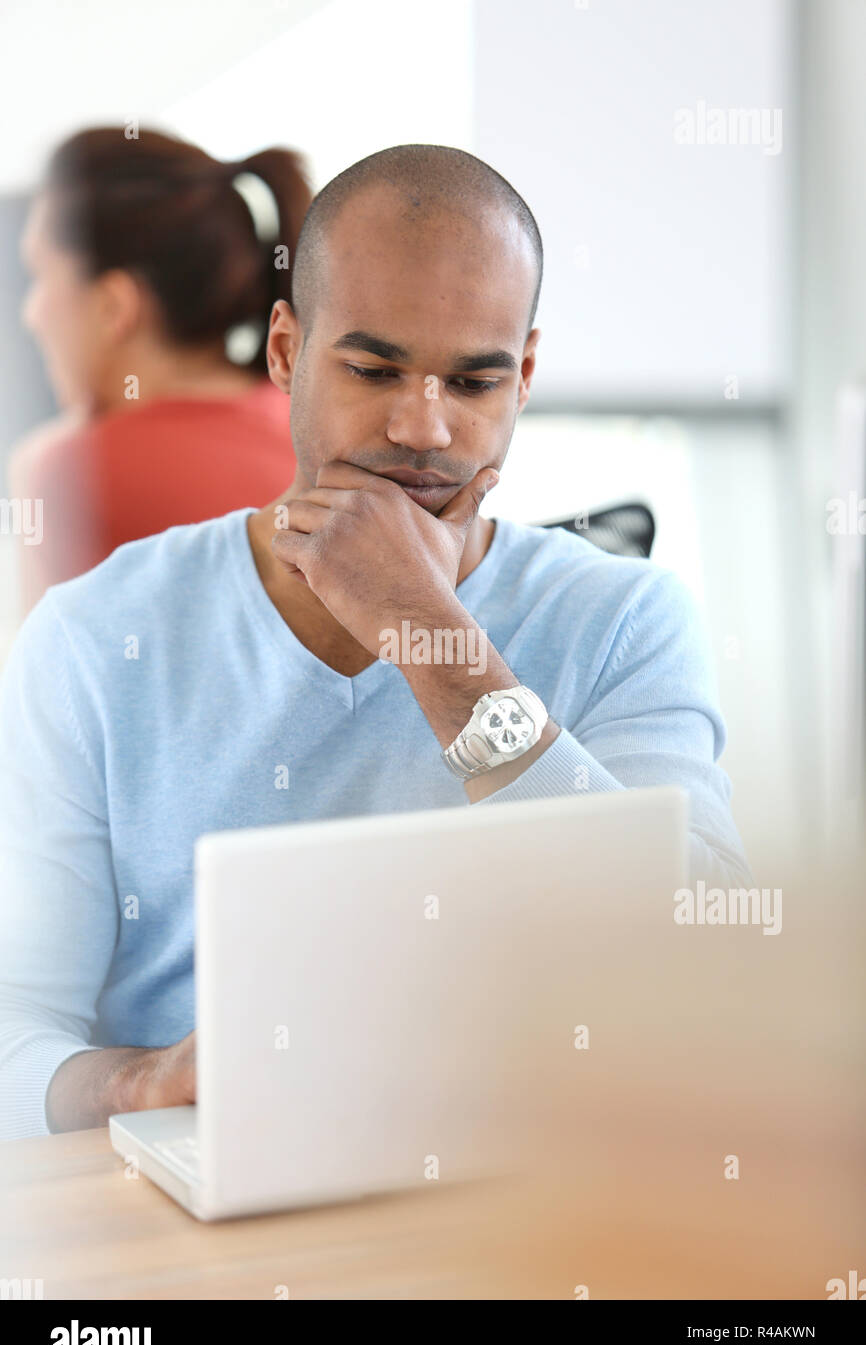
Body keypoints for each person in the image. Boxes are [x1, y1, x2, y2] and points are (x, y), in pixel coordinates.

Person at [0, 144, 752, 1141]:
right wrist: (137, 1084)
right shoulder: (95, 638)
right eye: (372, 368)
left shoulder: (626, 623)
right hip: (190, 1221)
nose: (424, 427)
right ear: (284, 352)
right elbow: (17, 1035)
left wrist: (433, 641)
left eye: (474, 383)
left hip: (523, 1199)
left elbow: (708, 985)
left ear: (523, 376)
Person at [10, 126, 312, 613]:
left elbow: (47, 686)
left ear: (113, 306)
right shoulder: (310, 423)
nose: (32, 312)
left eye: (42, 276)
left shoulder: (67, 472)